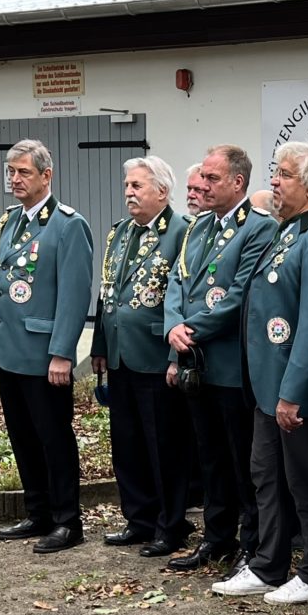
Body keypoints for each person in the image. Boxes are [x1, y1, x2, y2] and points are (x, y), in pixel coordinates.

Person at [215, 143, 308, 602]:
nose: (274, 181)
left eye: (285, 174)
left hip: (301, 392)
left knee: (307, 482)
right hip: (268, 386)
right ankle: (268, 565)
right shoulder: (290, 230)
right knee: (267, 477)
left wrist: (292, 392)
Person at [164, 145, 277, 568]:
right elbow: (177, 282)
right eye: (203, 178)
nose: (203, 185)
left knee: (241, 459)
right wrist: (172, 326)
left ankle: (252, 542)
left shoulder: (258, 228)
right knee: (209, 456)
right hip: (196, 362)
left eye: (213, 179)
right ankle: (216, 537)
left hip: (231, 365)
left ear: (237, 182)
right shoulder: (199, 226)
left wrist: (190, 330)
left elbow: (239, 296)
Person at [0, 139, 94, 553]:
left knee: (53, 439)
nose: (14, 179)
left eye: (23, 172)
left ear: (46, 176)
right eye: (11, 172)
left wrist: (63, 352)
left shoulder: (67, 224)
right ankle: (38, 512)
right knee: (22, 437)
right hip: (11, 351)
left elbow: (73, 295)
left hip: (44, 353)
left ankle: (67, 521)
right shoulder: (10, 221)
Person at [91, 157, 192, 555]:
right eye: (127, 185)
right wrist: (100, 345)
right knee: (127, 444)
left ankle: (171, 525)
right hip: (120, 355)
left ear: (162, 191)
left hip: (155, 356)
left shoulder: (181, 231)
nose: (129, 193)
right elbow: (107, 292)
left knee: (164, 447)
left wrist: (175, 356)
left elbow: (183, 298)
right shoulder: (120, 232)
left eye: (137, 186)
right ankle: (139, 519)